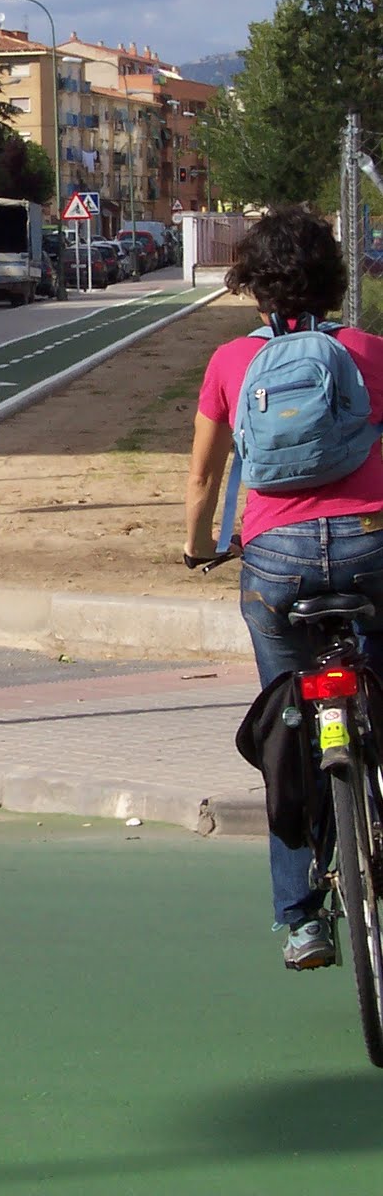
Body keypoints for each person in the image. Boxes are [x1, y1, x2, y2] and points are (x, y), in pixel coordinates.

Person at [184, 204, 383, 970]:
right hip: (371, 546)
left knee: (287, 730)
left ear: (252, 285)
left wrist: (198, 548)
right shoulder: (367, 350)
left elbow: (203, 475)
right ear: (335, 280)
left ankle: (302, 919)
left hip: (276, 562)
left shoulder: (231, 364)